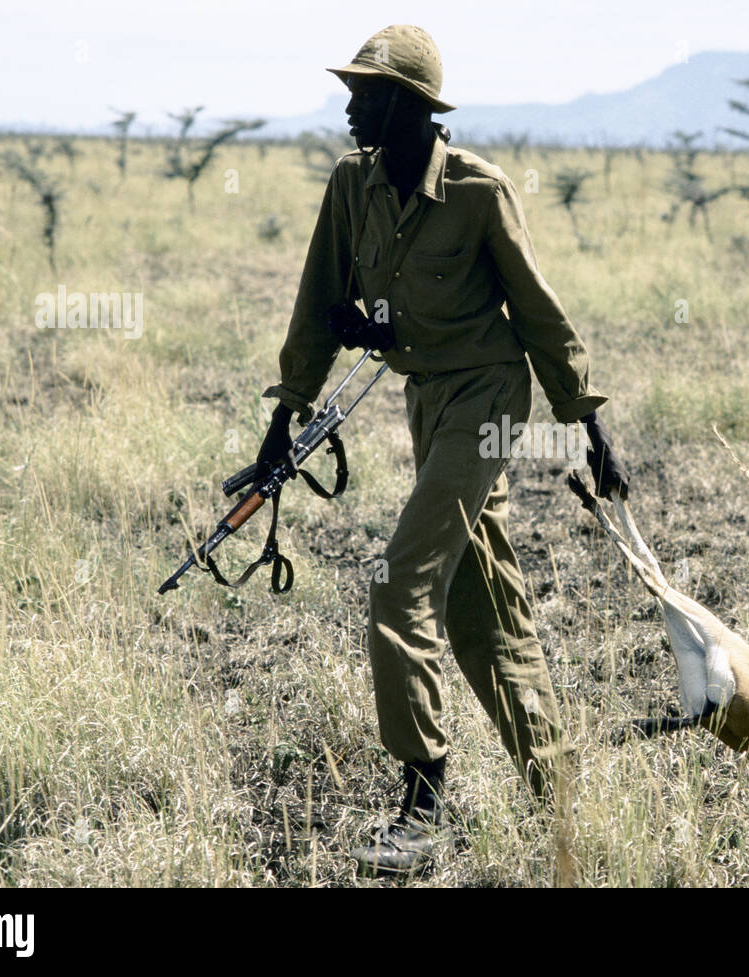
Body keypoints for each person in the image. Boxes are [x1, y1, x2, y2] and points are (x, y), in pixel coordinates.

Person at [256, 24, 628, 875]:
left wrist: (589, 424)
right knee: (480, 603)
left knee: (400, 583)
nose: (350, 107)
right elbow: (319, 305)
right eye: (351, 91)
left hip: (488, 400)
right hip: (427, 403)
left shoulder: (478, 192)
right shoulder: (352, 185)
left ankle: (424, 803)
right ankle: (559, 791)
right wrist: (281, 430)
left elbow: (538, 311)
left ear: (412, 106)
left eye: (367, 94)